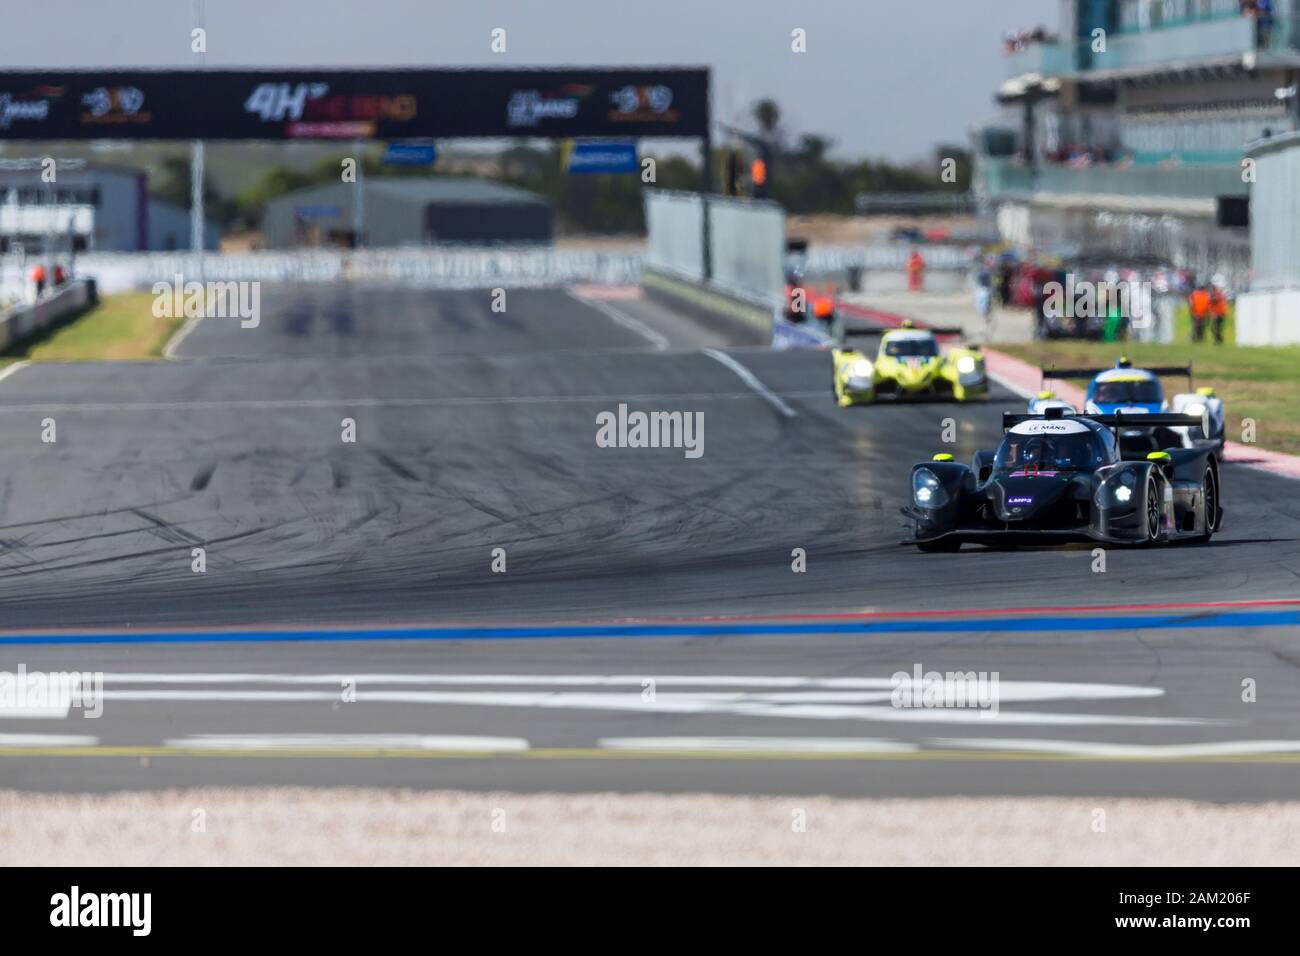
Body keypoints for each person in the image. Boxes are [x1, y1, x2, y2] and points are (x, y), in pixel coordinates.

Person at [1209, 279, 1229, 345]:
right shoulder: (1217, 294)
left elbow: (1214, 300)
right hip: (1218, 313)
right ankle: (1219, 340)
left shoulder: (1217, 294)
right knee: (1216, 328)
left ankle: (1218, 340)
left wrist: (1211, 299)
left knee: (1216, 328)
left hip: (1219, 314)